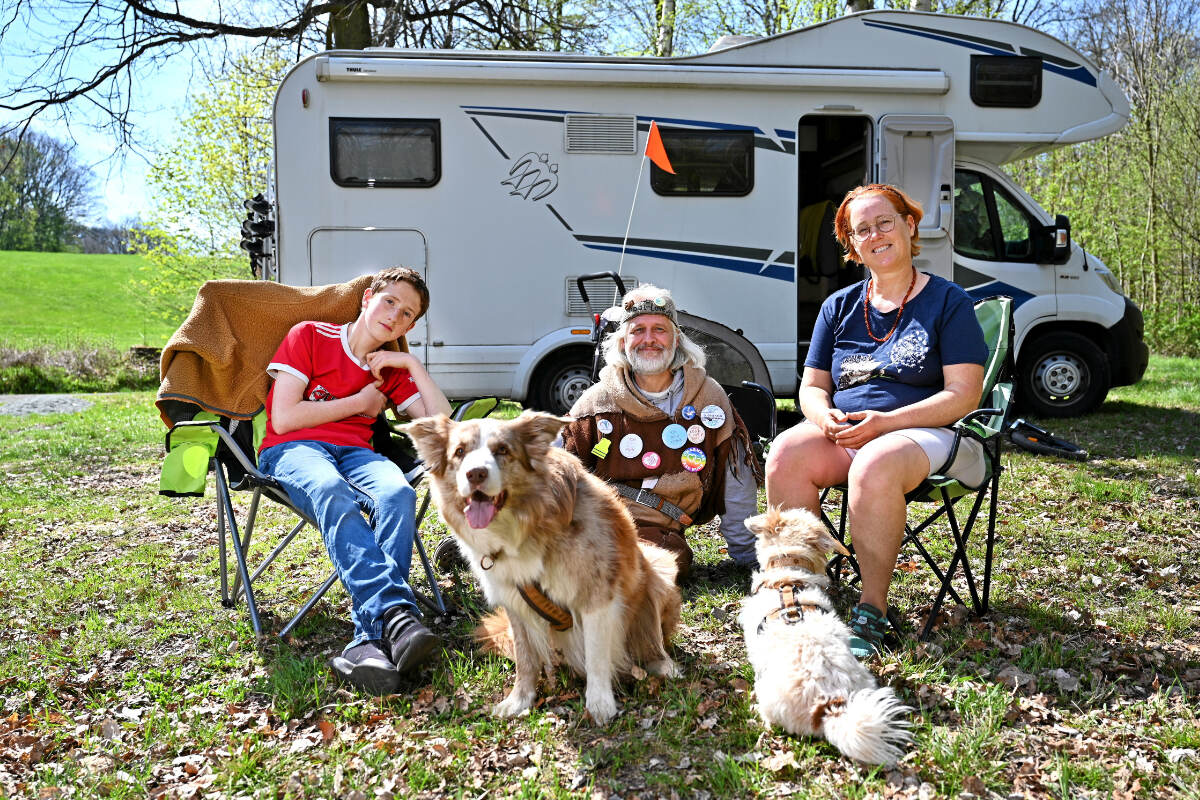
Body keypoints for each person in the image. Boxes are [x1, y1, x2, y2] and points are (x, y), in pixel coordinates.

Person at [764, 183, 988, 658]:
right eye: (861, 230)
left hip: (925, 432)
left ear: (909, 226)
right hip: (850, 429)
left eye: (884, 222)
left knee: (874, 463)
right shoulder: (839, 306)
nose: (875, 235)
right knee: (784, 452)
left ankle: (873, 608)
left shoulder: (949, 302)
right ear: (852, 245)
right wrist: (822, 416)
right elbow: (812, 387)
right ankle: (803, 589)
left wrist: (885, 423)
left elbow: (963, 395)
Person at [257, 266, 452, 694]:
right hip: (294, 450)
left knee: (398, 493)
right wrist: (359, 402)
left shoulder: (391, 368)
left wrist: (411, 364)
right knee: (330, 490)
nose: (394, 316)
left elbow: (441, 424)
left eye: (407, 314)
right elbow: (285, 418)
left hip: (358, 454)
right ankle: (397, 616)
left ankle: (369, 642)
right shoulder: (309, 335)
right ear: (367, 298)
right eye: (389, 302)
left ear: (411, 326)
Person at [560, 285, 761, 579]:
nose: (649, 339)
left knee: (641, 570)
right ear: (622, 342)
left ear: (676, 339)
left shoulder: (708, 398)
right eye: (638, 330)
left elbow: (735, 481)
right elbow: (556, 468)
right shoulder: (596, 402)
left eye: (659, 329)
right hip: (595, 526)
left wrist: (746, 554)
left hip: (659, 533)